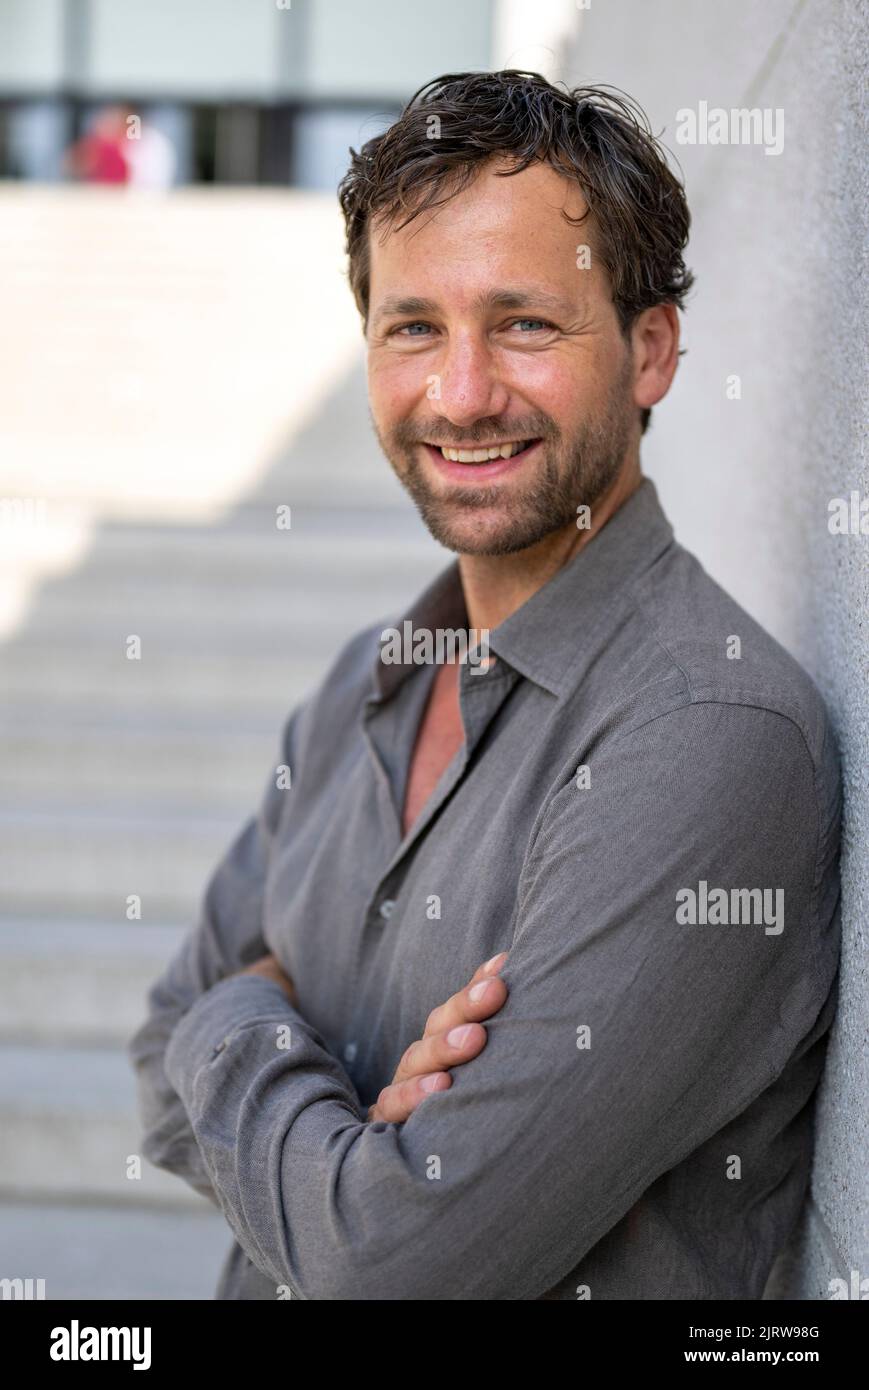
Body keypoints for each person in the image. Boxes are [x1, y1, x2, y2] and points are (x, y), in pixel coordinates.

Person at [128, 71, 841, 1300]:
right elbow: (154, 1053)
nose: (459, 395)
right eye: (413, 326)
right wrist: (347, 1126)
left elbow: (389, 1266)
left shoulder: (705, 735)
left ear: (649, 349)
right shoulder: (366, 681)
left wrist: (246, 1023)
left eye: (522, 323)